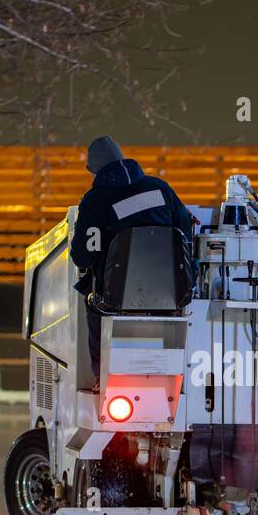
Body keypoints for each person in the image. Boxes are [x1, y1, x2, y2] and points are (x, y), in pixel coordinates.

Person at [69, 136, 195, 383]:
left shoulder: (94, 201)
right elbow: (187, 234)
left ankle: (101, 377)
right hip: (170, 293)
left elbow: (82, 257)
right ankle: (169, 373)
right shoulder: (161, 188)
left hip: (116, 298)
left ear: (93, 169)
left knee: (91, 299)